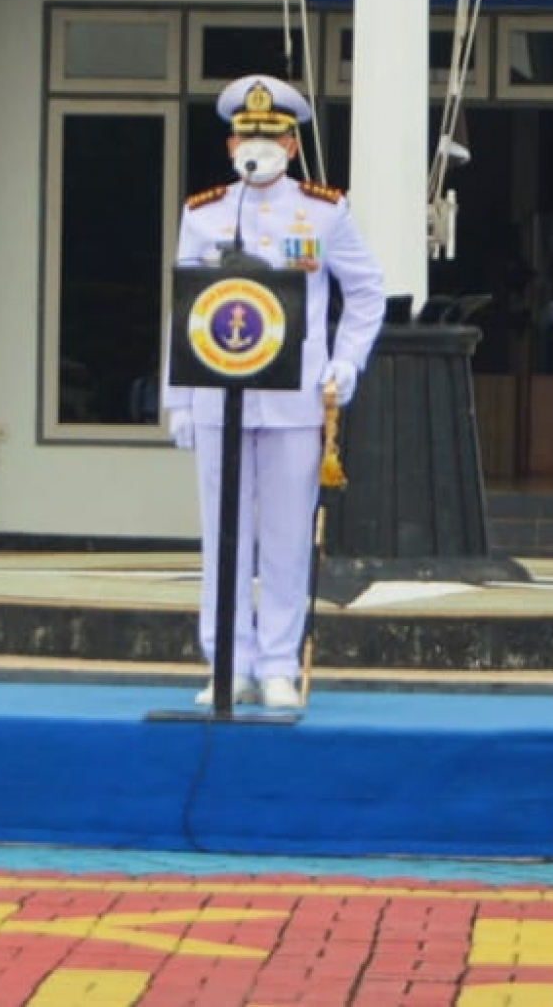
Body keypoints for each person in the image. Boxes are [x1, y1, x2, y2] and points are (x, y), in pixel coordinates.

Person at [164, 74, 385, 711]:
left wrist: (347, 362)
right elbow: (185, 307)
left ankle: (279, 663)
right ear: (232, 141)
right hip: (217, 399)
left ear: (291, 145)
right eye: (246, 133)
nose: (256, 144)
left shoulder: (323, 210)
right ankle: (228, 662)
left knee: (287, 537)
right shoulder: (203, 213)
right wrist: (179, 399)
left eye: (271, 134)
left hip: (293, 401)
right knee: (223, 533)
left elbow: (367, 292)